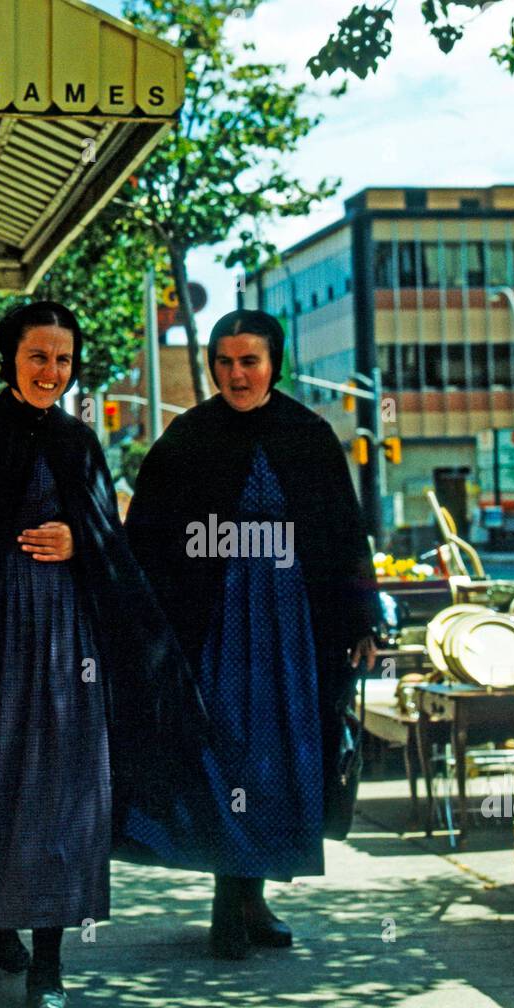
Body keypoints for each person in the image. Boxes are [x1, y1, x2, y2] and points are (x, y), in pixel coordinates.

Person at [0, 302, 210, 1008]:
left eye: (64, 360)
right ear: (10, 358)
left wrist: (80, 542)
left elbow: (111, 541)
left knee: (64, 798)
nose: (52, 372)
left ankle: (51, 962)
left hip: (68, 648)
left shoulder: (79, 441)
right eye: (39, 357)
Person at [124, 308, 381, 960]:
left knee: (278, 760)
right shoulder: (188, 438)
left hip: (293, 631)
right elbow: (148, 537)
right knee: (222, 749)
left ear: (275, 364)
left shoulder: (309, 434)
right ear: (211, 365)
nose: (236, 374)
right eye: (225, 361)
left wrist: (359, 618)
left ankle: (252, 895)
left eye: (250, 361)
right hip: (212, 624)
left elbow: (344, 534)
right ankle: (226, 896)